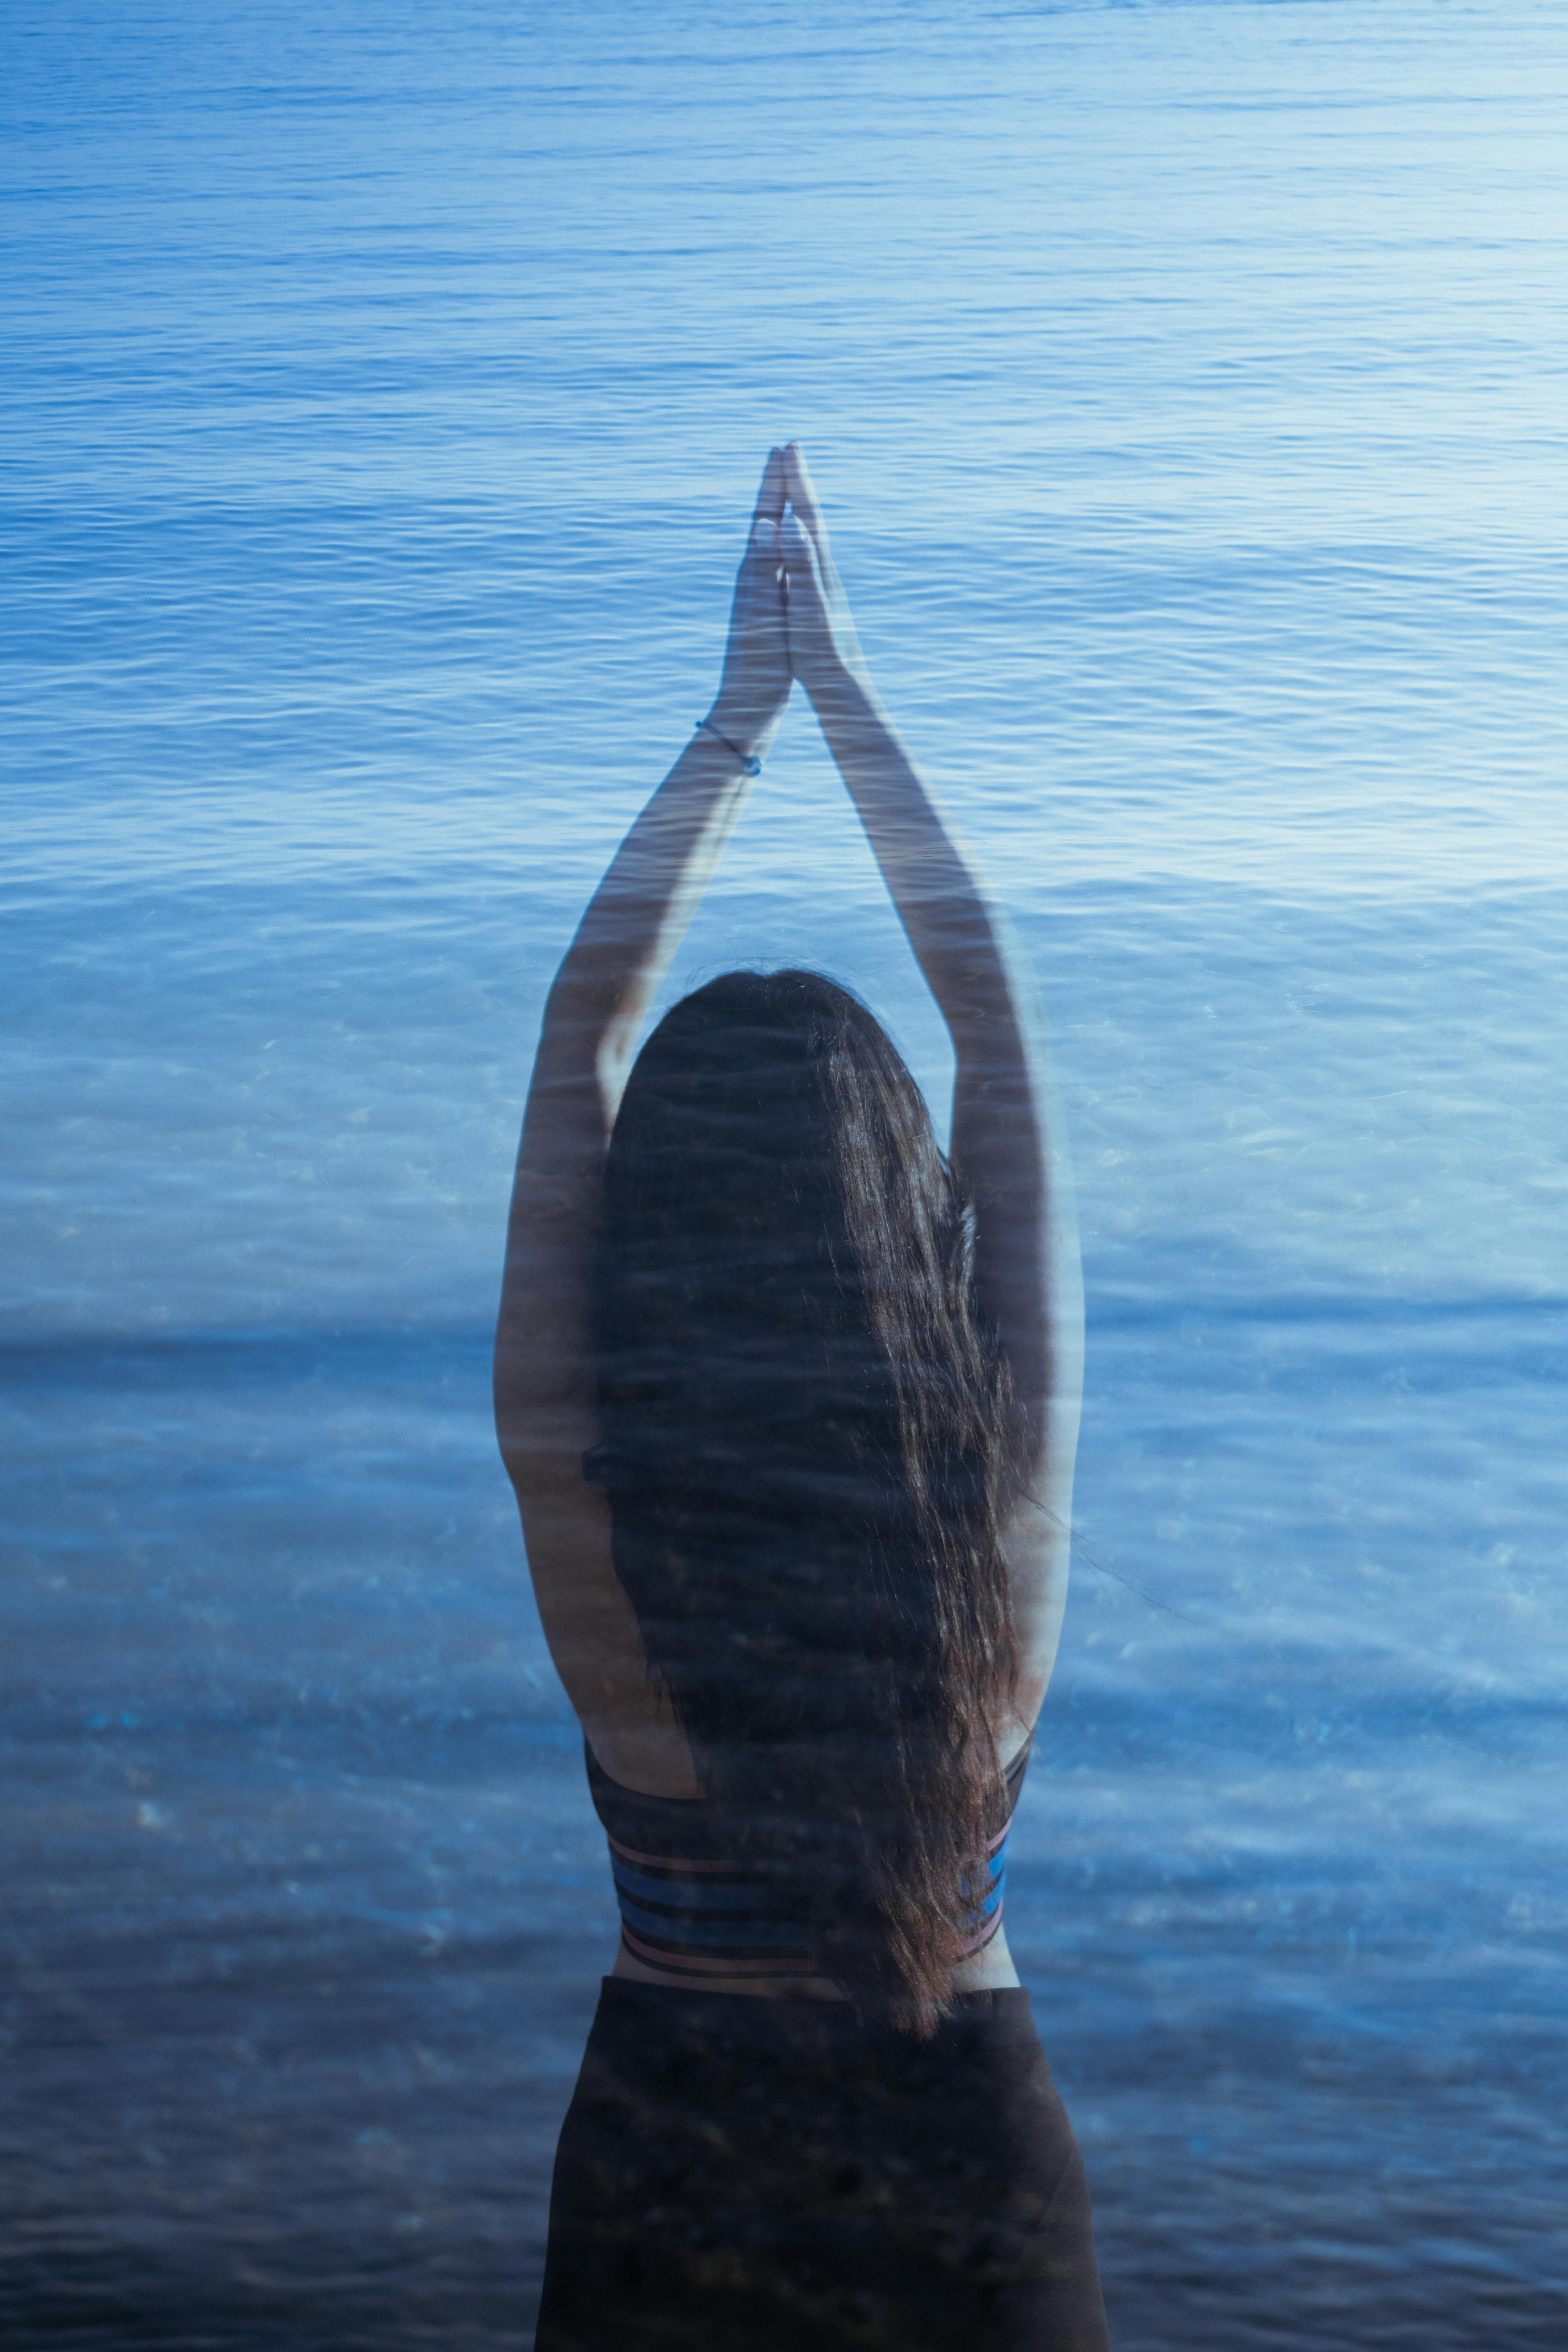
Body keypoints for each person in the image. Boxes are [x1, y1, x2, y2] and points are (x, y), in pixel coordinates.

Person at [494, 445, 1110, 2350]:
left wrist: (730, 727)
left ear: (649, 1243)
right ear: (901, 1220)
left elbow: (580, 1029)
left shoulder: (590, 1501)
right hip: (966, 2160)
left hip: (672, 2154)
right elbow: (995, 1031)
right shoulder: (989, 1523)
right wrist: (835, 681)